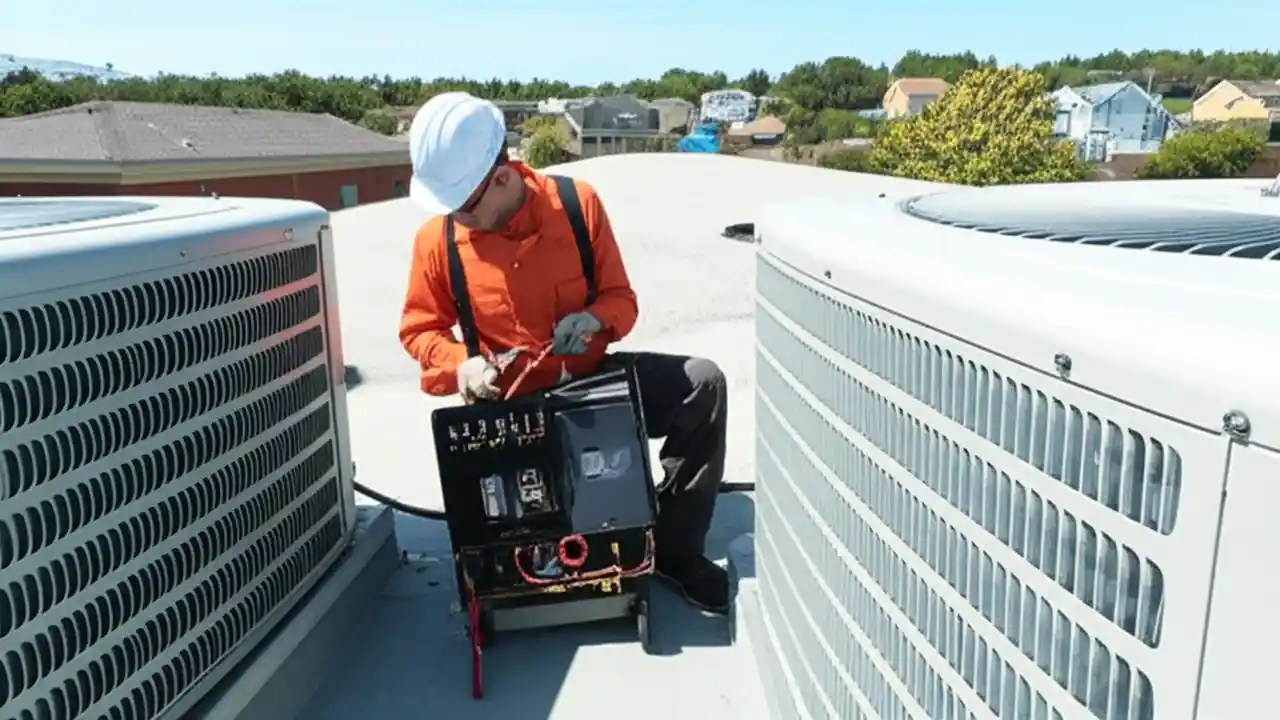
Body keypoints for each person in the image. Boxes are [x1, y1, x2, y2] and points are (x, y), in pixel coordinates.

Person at [398, 92, 730, 614]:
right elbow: (419, 331)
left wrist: (595, 319)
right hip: (507, 405)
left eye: (464, 206)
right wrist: (460, 364)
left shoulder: (577, 206)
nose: (458, 218)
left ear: (502, 177)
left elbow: (622, 300)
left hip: (589, 384)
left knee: (701, 384)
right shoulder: (436, 242)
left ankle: (677, 551)